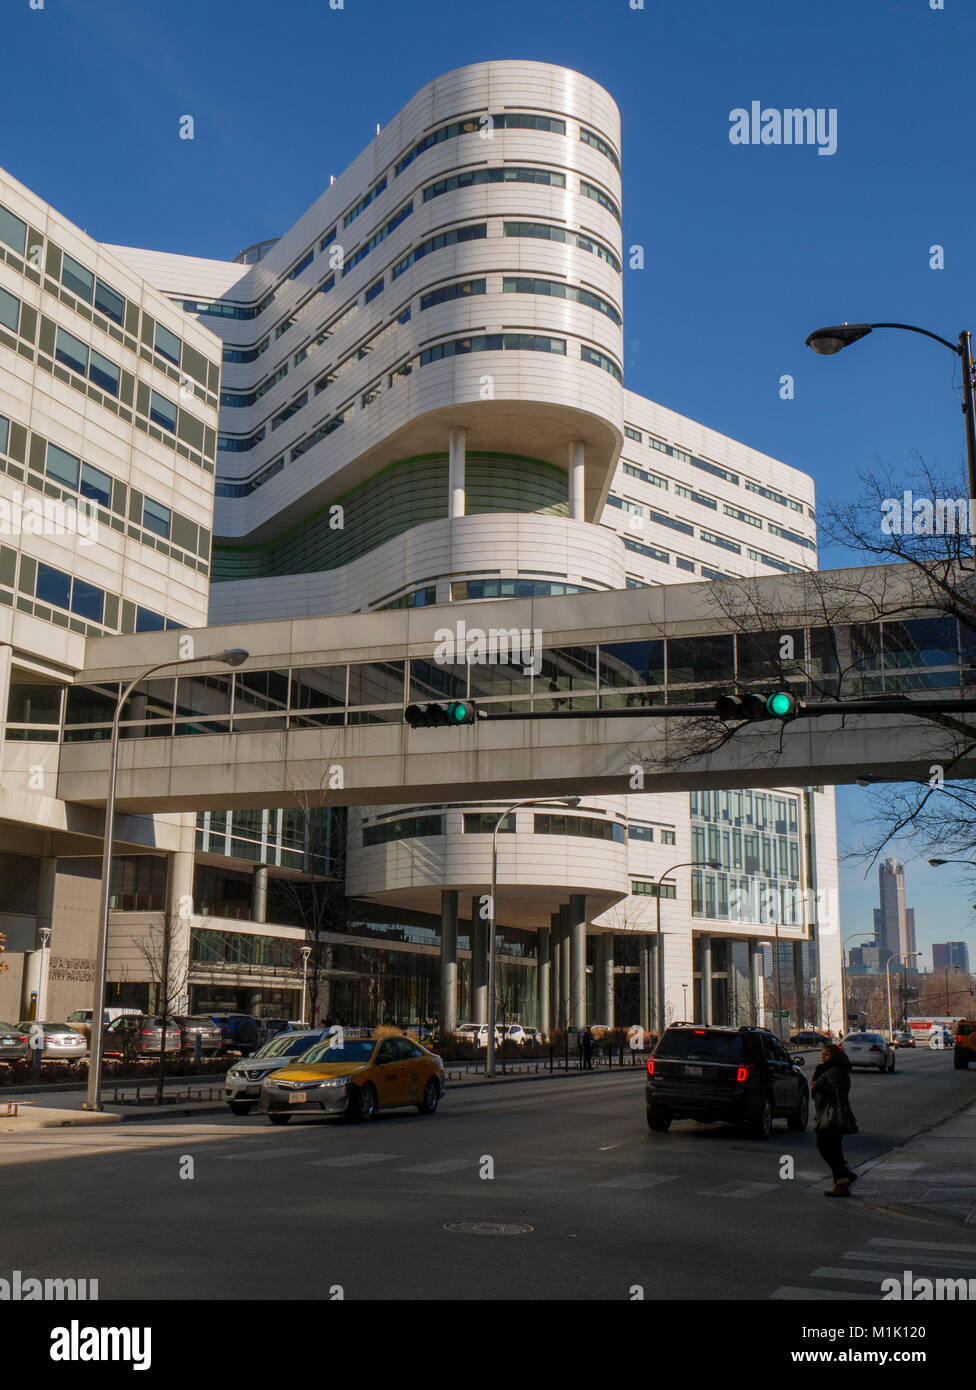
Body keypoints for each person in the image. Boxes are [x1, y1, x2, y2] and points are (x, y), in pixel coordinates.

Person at [812, 1042, 859, 1197]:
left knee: (827, 1146)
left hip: (833, 1113)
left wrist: (818, 1087)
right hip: (826, 1112)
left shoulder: (837, 1071)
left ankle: (842, 1180)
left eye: (827, 1055)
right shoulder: (826, 1070)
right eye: (822, 1055)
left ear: (834, 1056)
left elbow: (838, 1092)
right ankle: (843, 1176)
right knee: (832, 1148)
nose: (823, 1058)